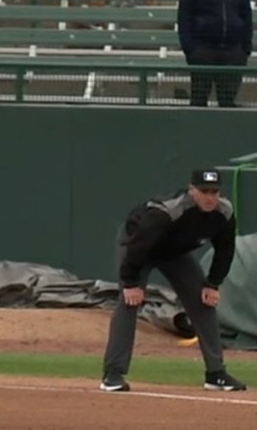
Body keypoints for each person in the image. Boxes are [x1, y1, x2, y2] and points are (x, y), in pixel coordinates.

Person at [99, 168, 247, 394]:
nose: (210, 197)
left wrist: (213, 283)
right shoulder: (167, 212)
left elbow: (225, 249)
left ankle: (216, 374)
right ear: (192, 190)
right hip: (137, 247)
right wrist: (130, 283)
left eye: (214, 191)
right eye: (204, 191)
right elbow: (138, 246)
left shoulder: (223, 212)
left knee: (203, 301)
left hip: (173, 253)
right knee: (129, 302)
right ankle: (113, 374)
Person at [178, 0, 253, 107]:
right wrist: (189, 48)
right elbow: (184, 15)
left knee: (228, 101)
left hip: (233, 51)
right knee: (199, 99)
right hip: (203, 50)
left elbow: (246, 15)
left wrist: (245, 48)